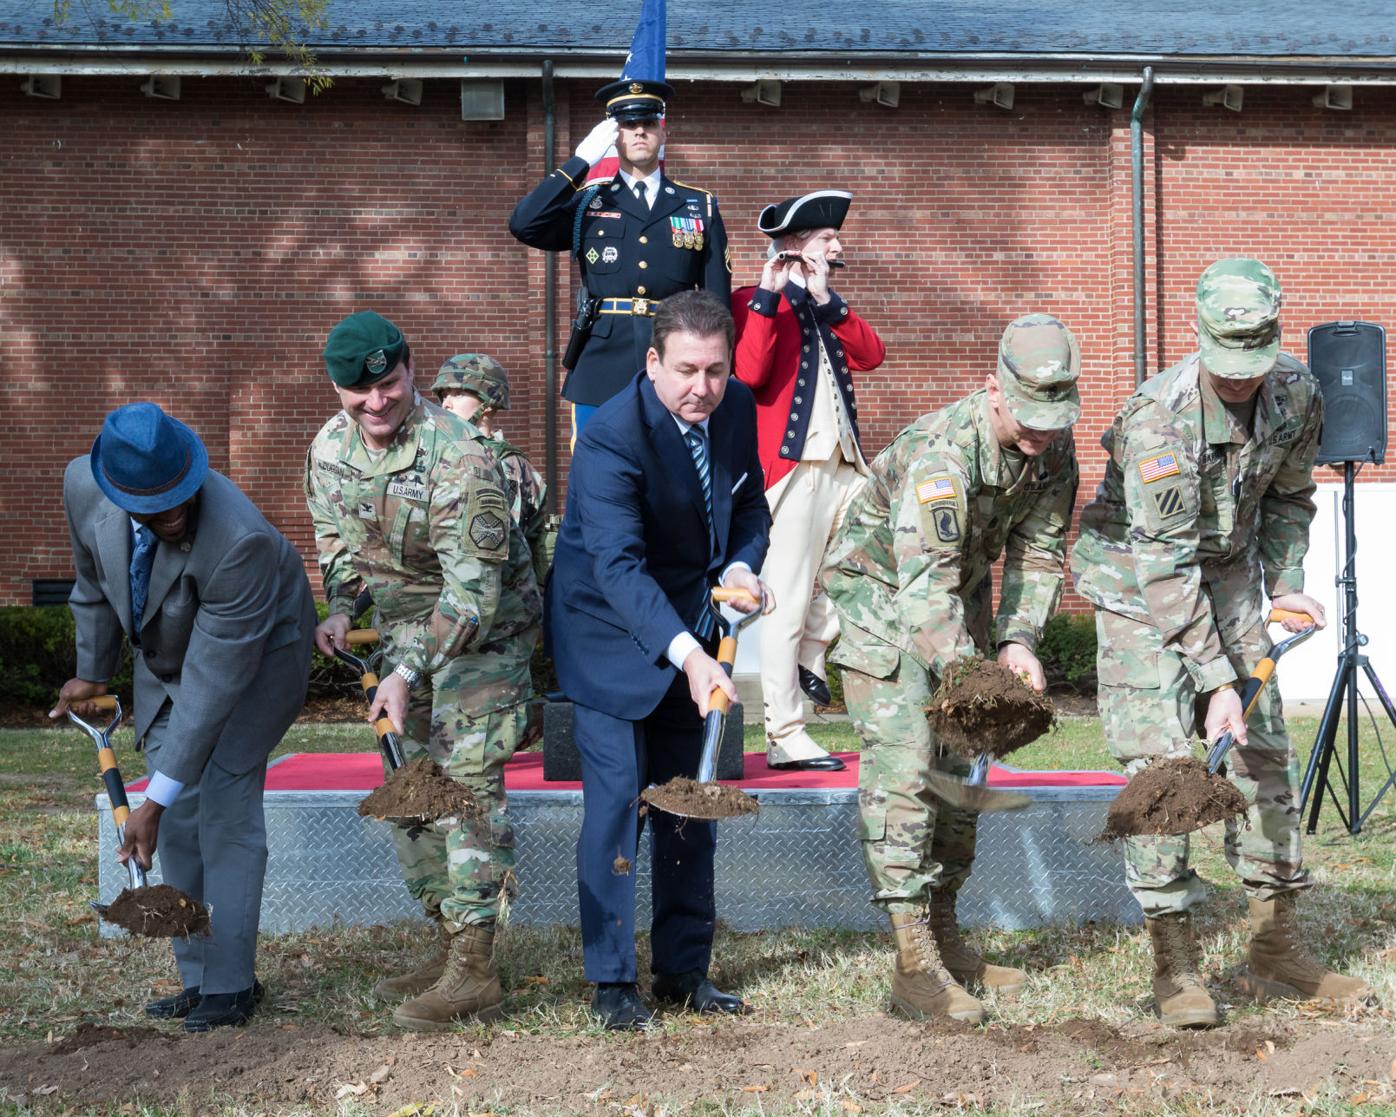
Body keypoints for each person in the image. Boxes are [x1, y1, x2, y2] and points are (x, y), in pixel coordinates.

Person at [1072, 257, 1373, 1028]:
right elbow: (1164, 566)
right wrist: (1215, 682)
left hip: (1230, 571)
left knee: (1261, 750)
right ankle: (1174, 964)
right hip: (1138, 585)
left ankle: (1274, 948)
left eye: (1253, 362)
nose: (1240, 379)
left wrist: (1287, 581)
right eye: (1226, 363)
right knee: (1163, 766)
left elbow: (1290, 495)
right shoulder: (1157, 421)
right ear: (1198, 334)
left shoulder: (1298, 393)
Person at [822, 314, 1082, 1022]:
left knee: (961, 765)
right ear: (994, 390)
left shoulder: (1053, 450)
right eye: (1028, 416)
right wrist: (969, 674)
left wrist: (1018, 642)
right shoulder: (943, 456)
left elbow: (1038, 552)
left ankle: (943, 934)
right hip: (884, 595)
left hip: (954, 596)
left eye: (1054, 417)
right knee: (909, 763)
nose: (1041, 432)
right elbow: (922, 582)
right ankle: (913, 967)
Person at [304, 310, 542, 1031]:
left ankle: (475, 968)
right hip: (405, 637)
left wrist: (403, 672)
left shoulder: (459, 455)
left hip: (485, 636)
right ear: (337, 387)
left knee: (464, 784)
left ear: (410, 373)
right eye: (360, 390)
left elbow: (472, 597)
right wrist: (342, 606)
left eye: (391, 384)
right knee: (410, 787)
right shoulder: (328, 448)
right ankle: (448, 941)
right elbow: (336, 539)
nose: (377, 402)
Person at [546, 290, 772, 1029]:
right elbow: (617, 567)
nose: (701, 387)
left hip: (691, 624)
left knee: (690, 799)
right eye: (685, 370)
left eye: (715, 370)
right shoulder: (611, 437)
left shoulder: (736, 409)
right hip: (610, 633)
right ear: (652, 363)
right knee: (618, 804)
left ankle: (683, 970)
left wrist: (740, 568)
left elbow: (749, 507)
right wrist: (690, 656)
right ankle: (613, 982)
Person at [51, 402, 316, 1032]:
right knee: (173, 824)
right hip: (168, 654)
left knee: (221, 803)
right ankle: (197, 979)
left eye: (181, 497)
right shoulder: (83, 486)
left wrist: (153, 800)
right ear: (117, 491)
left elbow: (213, 684)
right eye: (154, 506)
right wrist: (94, 671)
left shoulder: (240, 539)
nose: (173, 514)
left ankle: (231, 985)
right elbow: (94, 586)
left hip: (258, 661)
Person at [732, 189, 886, 771]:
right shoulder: (753, 300)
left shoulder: (828, 305)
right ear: (797, 244)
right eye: (828, 238)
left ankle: (814, 647)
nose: (838, 247)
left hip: (845, 464)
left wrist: (827, 300)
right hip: (792, 471)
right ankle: (785, 733)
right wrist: (769, 294)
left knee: (882, 556)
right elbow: (748, 373)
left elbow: (872, 356)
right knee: (787, 601)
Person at [508, 78, 731, 438]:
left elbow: (716, 301)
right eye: (628, 124)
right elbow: (524, 224)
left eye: (649, 122)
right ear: (614, 135)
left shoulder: (698, 205)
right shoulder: (590, 201)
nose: (640, 131)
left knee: (675, 462)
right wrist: (581, 161)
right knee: (599, 462)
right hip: (603, 362)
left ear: (663, 132)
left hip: (676, 360)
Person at [432, 353, 549, 585]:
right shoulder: (441, 455)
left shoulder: (508, 466)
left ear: (488, 402)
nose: (446, 403)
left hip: (492, 593)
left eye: (458, 393)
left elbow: (497, 550)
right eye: (444, 395)